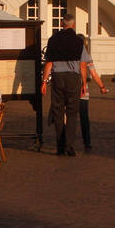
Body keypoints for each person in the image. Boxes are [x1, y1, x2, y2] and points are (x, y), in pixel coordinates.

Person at [42, 14, 86, 156]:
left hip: (58, 78)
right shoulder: (78, 41)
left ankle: (60, 145)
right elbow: (83, 65)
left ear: (62, 24)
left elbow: (49, 63)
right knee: (72, 112)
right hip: (73, 78)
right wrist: (84, 83)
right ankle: (69, 146)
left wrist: (44, 81)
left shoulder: (53, 40)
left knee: (58, 111)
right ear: (73, 25)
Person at [77, 34, 108, 151]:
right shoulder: (87, 56)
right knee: (84, 117)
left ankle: (66, 141)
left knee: (69, 116)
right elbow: (94, 74)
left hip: (70, 88)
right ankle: (87, 142)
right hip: (83, 90)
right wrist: (102, 87)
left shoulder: (70, 54)